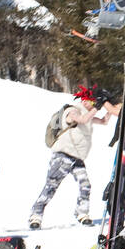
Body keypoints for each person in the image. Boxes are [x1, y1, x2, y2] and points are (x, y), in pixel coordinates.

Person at [29, 86, 116, 228]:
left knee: (85, 185)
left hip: (77, 158)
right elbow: (82, 120)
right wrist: (97, 107)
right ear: (85, 101)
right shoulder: (72, 111)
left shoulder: (88, 114)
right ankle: (35, 216)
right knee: (51, 187)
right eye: (92, 102)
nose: (94, 105)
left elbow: (103, 121)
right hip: (62, 156)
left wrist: (109, 106)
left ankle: (82, 213)